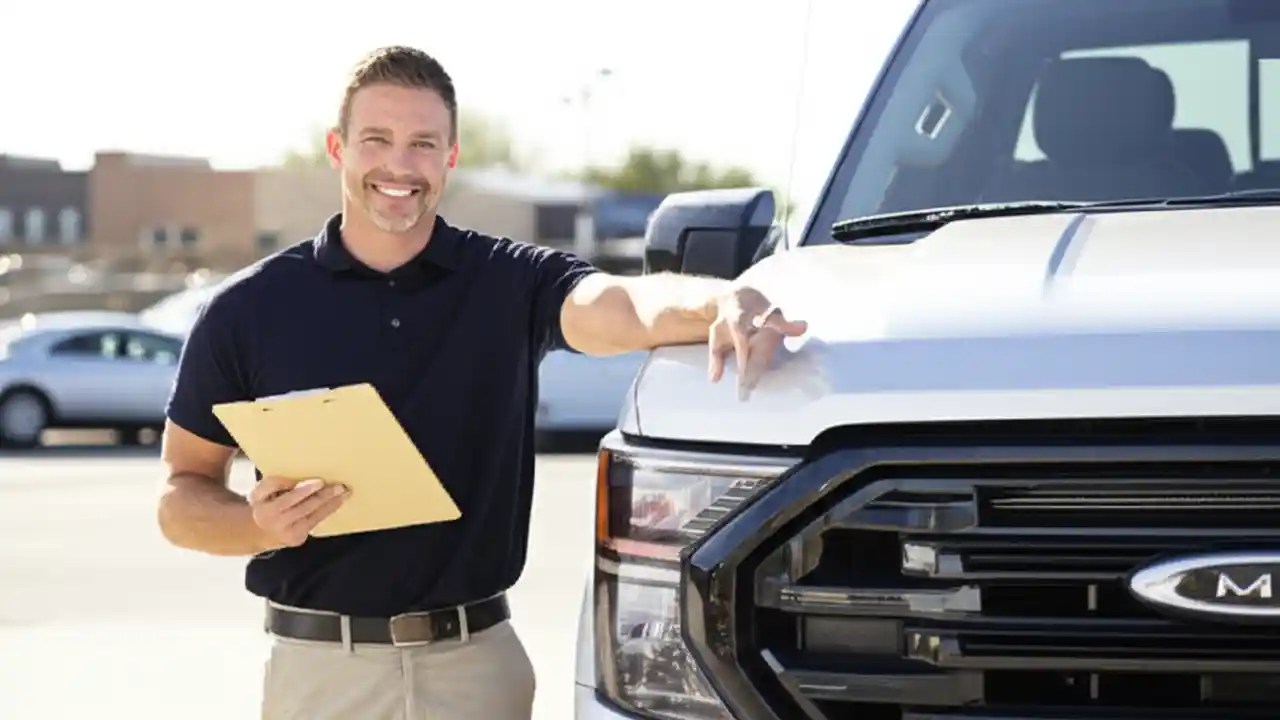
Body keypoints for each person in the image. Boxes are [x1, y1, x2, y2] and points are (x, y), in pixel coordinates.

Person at [156, 45, 806, 720]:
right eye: (377, 139)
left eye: (423, 143)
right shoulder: (249, 309)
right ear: (338, 149)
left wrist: (722, 302)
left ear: (451, 156)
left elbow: (620, 306)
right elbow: (180, 495)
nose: (400, 166)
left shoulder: (509, 280)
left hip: (474, 668)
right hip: (319, 673)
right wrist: (257, 524)